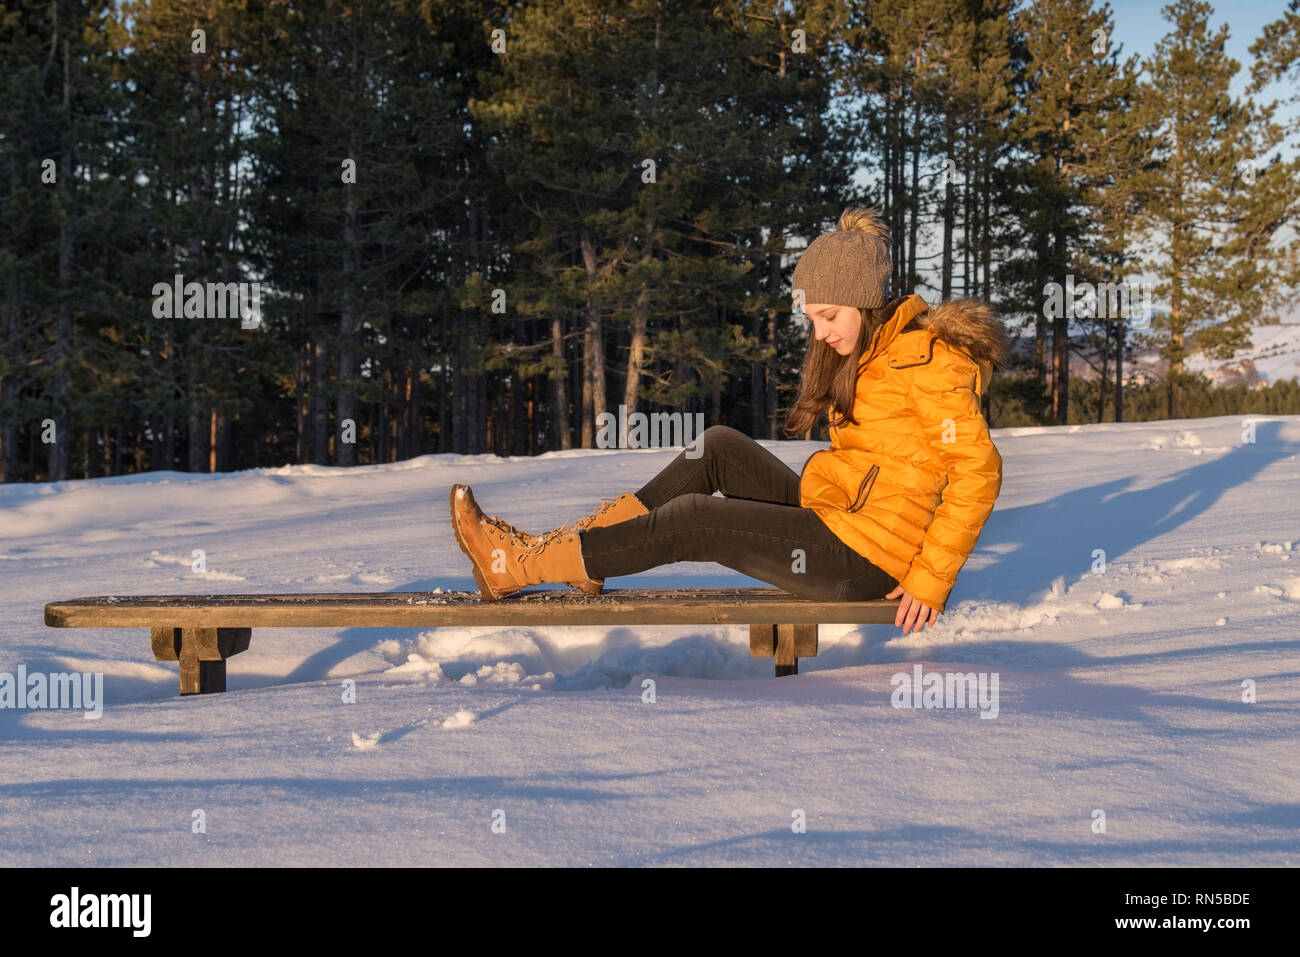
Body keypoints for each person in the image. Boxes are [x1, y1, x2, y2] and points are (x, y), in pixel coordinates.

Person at [449, 206, 1009, 634]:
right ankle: (585, 555)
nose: (820, 334)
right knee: (716, 446)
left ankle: (518, 566)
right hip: (840, 517)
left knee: (698, 520)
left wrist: (930, 579)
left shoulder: (926, 360)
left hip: (867, 560)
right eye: (811, 319)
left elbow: (976, 471)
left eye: (829, 316)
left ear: (862, 301)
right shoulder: (875, 351)